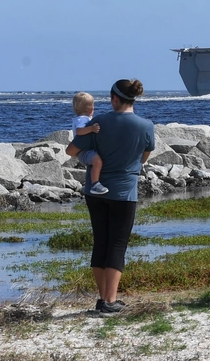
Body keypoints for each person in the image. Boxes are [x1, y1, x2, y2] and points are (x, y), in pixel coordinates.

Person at [66, 79, 155, 314]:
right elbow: (144, 157)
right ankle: (110, 300)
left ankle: (103, 298)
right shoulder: (145, 125)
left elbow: (71, 150)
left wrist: (92, 158)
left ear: (114, 99)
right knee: (118, 244)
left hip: (95, 191)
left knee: (101, 242)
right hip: (125, 191)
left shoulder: (99, 122)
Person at [70, 92, 108, 196]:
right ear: (91, 110)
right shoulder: (83, 119)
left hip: (85, 151)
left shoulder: (80, 119)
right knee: (98, 161)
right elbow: (79, 131)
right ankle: (95, 184)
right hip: (84, 152)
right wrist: (91, 128)